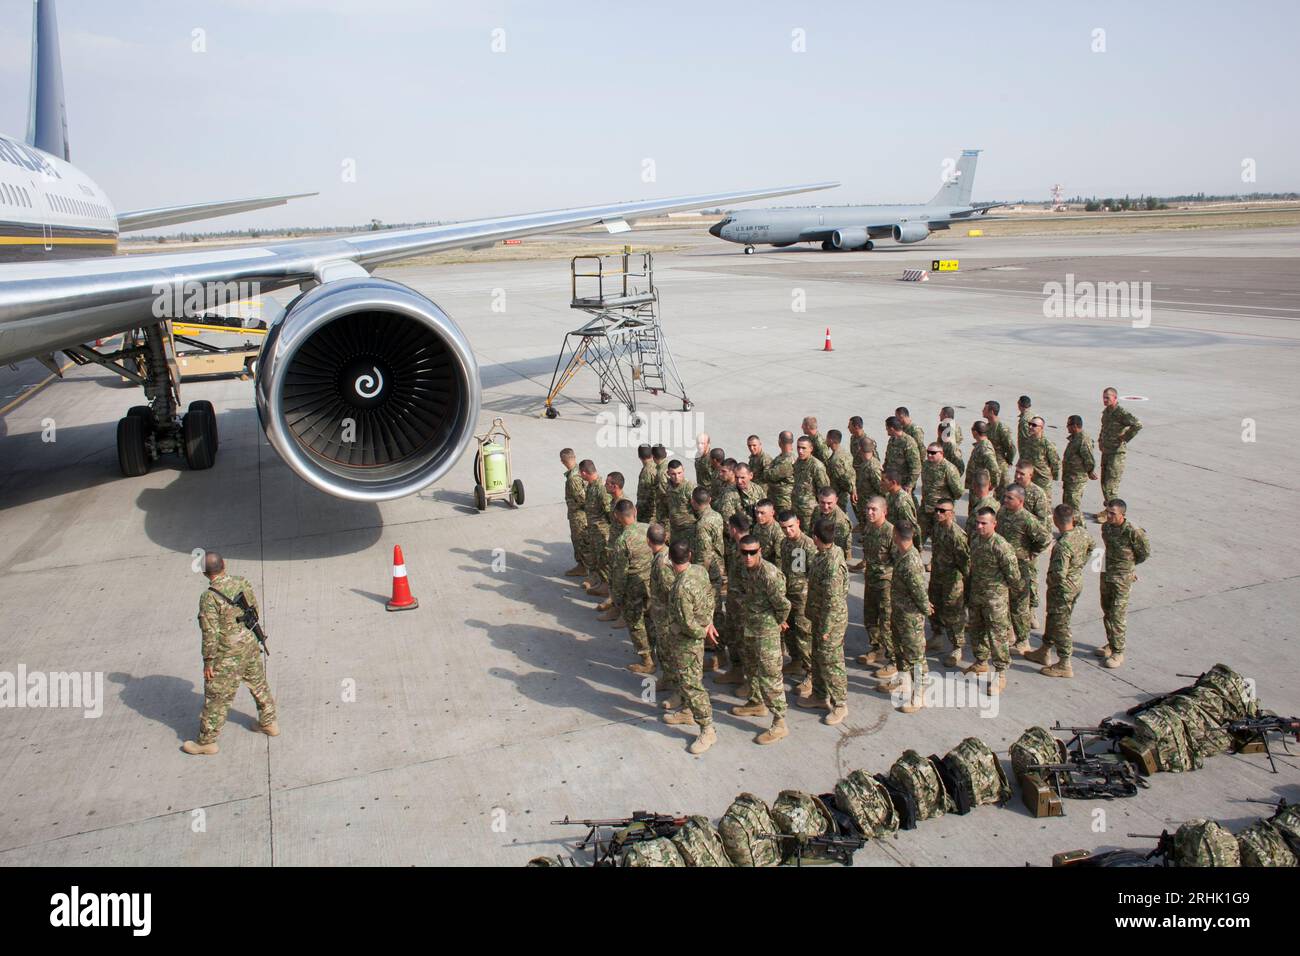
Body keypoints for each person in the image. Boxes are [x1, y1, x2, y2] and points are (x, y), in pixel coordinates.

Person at [182, 552, 277, 755]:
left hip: (227, 655)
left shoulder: (209, 597)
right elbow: (254, 610)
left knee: (216, 697)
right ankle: (269, 722)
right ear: (224, 565)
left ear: (204, 573)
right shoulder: (241, 582)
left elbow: (210, 632)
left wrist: (208, 661)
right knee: (259, 685)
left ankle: (207, 741)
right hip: (249, 644)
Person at [731, 534, 792, 745]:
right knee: (751, 667)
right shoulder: (741, 568)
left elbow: (784, 606)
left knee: (770, 675)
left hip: (766, 630)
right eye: (744, 553)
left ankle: (779, 722)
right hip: (750, 625)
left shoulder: (769, 574)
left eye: (752, 553)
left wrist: (777, 622)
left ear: (760, 552)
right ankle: (756, 702)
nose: (748, 557)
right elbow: (738, 590)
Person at [1024, 505, 1095, 678]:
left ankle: (1064, 663)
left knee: (1061, 624)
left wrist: (1053, 584)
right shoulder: (1082, 533)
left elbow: (1058, 574)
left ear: (1056, 521)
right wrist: (1077, 567)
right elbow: (1092, 547)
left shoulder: (1062, 546)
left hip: (1062, 589)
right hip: (1076, 581)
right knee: (1053, 618)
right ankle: (1045, 650)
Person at [663, 540, 720, 756]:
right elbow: (710, 597)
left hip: (688, 641)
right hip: (696, 632)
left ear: (670, 559)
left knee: (692, 684)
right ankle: (688, 711)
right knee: (688, 681)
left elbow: (687, 624)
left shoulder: (680, 588)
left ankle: (707, 729)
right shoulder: (699, 571)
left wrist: (702, 631)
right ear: (690, 555)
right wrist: (709, 622)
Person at [798, 518, 850, 725]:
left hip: (831, 621)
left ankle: (840, 704)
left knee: (831, 661)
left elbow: (833, 600)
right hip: (820, 617)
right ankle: (819, 695)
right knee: (818, 656)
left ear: (815, 538)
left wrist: (827, 628)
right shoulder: (825, 554)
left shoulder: (832, 564)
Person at [965, 508, 1022, 695]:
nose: (979, 526)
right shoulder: (975, 540)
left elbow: (1014, 576)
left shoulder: (1001, 546)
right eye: (978, 522)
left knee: (997, 636)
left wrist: (1003, 594)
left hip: (995, 600)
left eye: (984, 523)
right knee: (976, 630)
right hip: (977, 595)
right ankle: (981, 662)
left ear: (994, 524)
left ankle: (1000, 674)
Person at [877, 522, 932, 713]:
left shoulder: (910, 561)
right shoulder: (903, 554)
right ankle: (904, 682)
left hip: (910, 617)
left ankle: (919, 695)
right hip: (899, 612)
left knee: (915, 655)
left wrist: (926, 608)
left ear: (896, 535)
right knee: (900, 650)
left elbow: (918, 589)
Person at [996, 485, 1051, 654]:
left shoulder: (1027, 519)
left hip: (1020, 568)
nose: (1005, 500)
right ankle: (1008, 633)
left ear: (1020, 501)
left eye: (1009, 498)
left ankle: (1023, 640)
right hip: (1003, 565)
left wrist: (1032, 553)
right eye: (1005, 497)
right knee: (1003, 601)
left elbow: (1045, 539)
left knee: (1019, 605)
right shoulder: (1002, 513)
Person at [1098, 498, 1150, 669]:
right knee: (1106, 609)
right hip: (1107, 574)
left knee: (1117, 614)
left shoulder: (1133, 531)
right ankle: (1111, 642)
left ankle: (1118, 652)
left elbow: (1143, 553)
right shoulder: (1106, 527)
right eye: (1108, 512)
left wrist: (1129, 569)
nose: (1109, 516)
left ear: (1122, 515)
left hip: (1122, 578)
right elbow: (1106, 548)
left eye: (1113, 513)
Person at [609, 499, 655, 672]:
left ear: (617, 516)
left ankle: (647, 660)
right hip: (651, 582)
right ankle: (654, 648)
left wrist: (617, 596)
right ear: (634, 511)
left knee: (636, 623)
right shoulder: (648, 529)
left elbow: (620, 573)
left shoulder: (622, 541)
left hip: (633, 587)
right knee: (651, 617)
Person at [928, 498, 970, 668]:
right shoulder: (937, 527)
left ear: (951, 513)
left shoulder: (957, 535)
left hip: (953, 580)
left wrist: (965, 584)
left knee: (954, 613)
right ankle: (937, 636)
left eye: (943, 511)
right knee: (934, 607)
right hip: (937, 575)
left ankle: (957, 647)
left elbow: (965, 563)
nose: (938, 513)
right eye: (936, 510)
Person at [855, 497, 895, 671]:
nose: (870, 512)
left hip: (886, 585)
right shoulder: (869, 528)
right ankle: (877, 648)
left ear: (884, 511)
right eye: (868, 509)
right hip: (871, 581)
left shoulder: (891, 533)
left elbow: (898, 561)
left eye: (874, 509)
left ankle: (894, 660)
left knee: (886, 622)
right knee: (870, 618)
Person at [689, 486, 726, 671]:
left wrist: (698, 576)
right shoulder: (716, 516)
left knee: (712, 610)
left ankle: (717, 653)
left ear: (694, 503)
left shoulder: (702, 524)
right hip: (718, 565)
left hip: (709, 571)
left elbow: (704, 554)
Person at [778, 510, 815, 687]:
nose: (788, 531)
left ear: (798, 523)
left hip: (803, 598)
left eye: (791, 527)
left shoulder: (808, 545)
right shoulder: (784, 543)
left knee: (803, 634)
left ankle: (811, 673)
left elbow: (813, 575)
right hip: (788, 595)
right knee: (790, 631)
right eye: (784, 528)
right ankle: (795, 661)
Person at [645, 523, 682, 700]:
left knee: (670, 652)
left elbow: (670, 591)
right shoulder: (665, 554)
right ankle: (668, 678)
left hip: (666, 616)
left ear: (647, 541)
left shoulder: (662, 562)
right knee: (664, 651)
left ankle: (677, 690)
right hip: (662, 614)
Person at [1098, 388, 1143, 503]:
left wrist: (1125, 437)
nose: (1105, 400)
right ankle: (1109, 509)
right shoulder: (1107, 412)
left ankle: (1115, 512)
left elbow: (1137, 424)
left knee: (1111, 485)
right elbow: (1104, 428)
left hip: (1116, 453)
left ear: (1115, 398)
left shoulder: (1121, 413)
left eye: (1107, 397)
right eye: (1104, 397)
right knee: (1104, 482)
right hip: (1107, 451)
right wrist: (1100, 441)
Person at [919, 442, 962, 549]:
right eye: (928, 452)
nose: (929, 455)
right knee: (918, 538)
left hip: (941, 512)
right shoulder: (926, 465)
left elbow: (958, 492)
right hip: (925, 509)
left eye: (933, 453)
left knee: (942, 543)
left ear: (941, 453)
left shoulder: (949, 469)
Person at [579, 460, 611, 596]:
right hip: (593, 530)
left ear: (584, 473)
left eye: (581, 474)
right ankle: (595, 579)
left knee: (604, 560)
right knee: (595, 557)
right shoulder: (591, 486)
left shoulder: (601, 489)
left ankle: (606, 586)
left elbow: (609, 511)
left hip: (601, 531)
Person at [1060, 416, 1097, 524]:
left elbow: (1089, 460)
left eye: (1069, 425)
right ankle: (1071, 530)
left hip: (1076, 479)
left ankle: (1081, 531)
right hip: (1070, 478)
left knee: (1073, 507)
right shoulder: (1075, 437)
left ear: (1075, 426)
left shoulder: (1083, 440)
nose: (1067, 427)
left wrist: (1090, 472)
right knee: (1067, 505)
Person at [792, 435, 830, 531]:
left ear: (811, 449)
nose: (800, 451)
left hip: (810, 513)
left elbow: (824, 491)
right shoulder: (798, 462)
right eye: (798, 447)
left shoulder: (817, 466)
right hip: (797, 508)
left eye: (803, 448)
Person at [560, 448, 587, 577]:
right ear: (574, 457)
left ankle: (583, 567)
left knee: (579, 540)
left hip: (579, 515)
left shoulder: (573, 478)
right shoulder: (581, 470)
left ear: (562, 461)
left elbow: (582, 499)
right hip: (581, 514)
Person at [983, 400, 1016, 491]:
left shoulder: (1002, 428)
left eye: (985, 409)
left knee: (1003, 492)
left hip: (1000, 466)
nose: (982, 410)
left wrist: (1008, 460)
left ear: (991, 412)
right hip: (989, 464)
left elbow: (1011, 448)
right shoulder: (987, 427)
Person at [884, 416, 921, 493]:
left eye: (886, 428)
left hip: (904, 484)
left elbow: (916, 466)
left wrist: (910, 485)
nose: (886, 430)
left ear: (891, 429)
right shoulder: (892, 440)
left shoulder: (908, 442)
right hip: (892, 482)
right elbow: (888, 459)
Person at [966, 421, 1003, 498]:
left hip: (981, 491)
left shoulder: (985, 448)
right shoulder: (980, 445)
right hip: (977, 487)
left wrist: (991, 486)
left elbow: (994, 469)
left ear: (975, 432)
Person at [663, 459, 696, 545]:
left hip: (689, 530)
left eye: (679, 473)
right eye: (673, 474)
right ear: (668, 473)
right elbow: (664, 508)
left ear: (683, 470)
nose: (677, 477)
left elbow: (699, 509)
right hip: (674, 531)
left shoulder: (689, 487)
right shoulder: (667, 487)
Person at [826, 428, 857, 514]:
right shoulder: (845, 453)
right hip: (845, 490)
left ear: (831, 440)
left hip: (839, 493)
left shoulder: (835, 460)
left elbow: (843, 479)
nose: (826, 440)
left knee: (839, 514)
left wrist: (852, 491)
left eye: (827, 438)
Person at [765, 431, 796, 512]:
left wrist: (767, 468)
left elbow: (770, 476)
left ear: (779, 442)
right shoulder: (781, 457)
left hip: (783, 501)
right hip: (777, 499)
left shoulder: (788, 460)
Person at [635, 444, 657, 522]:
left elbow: (643, 497)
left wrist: (636, 513)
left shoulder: (646, 472)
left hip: (649, 515)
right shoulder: (658, 466)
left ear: (639, 457)